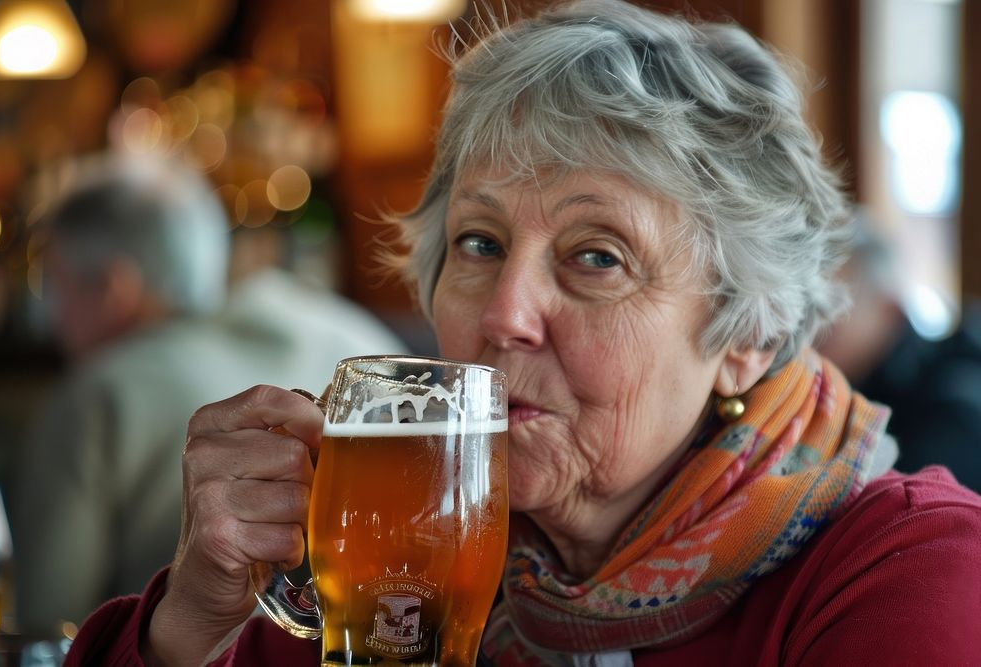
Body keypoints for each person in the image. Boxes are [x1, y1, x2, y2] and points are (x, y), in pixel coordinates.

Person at [65, 1, 981, 664]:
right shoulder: (411, 557)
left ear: (745, 329)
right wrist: (189, 622)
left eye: (597, 256)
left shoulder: (911, 575)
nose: (503, 312)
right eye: (479, 242)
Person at [11, 153, 405, 637]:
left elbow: (47, 627)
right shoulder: (349, 333)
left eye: (54, 284)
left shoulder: (95, 395)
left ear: (116, 287)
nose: (51, 317)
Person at [817, 214, 981, 492]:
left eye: (831, 312)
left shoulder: (951, 407)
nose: (813, 334)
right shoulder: (850, 393)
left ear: (889, 308)